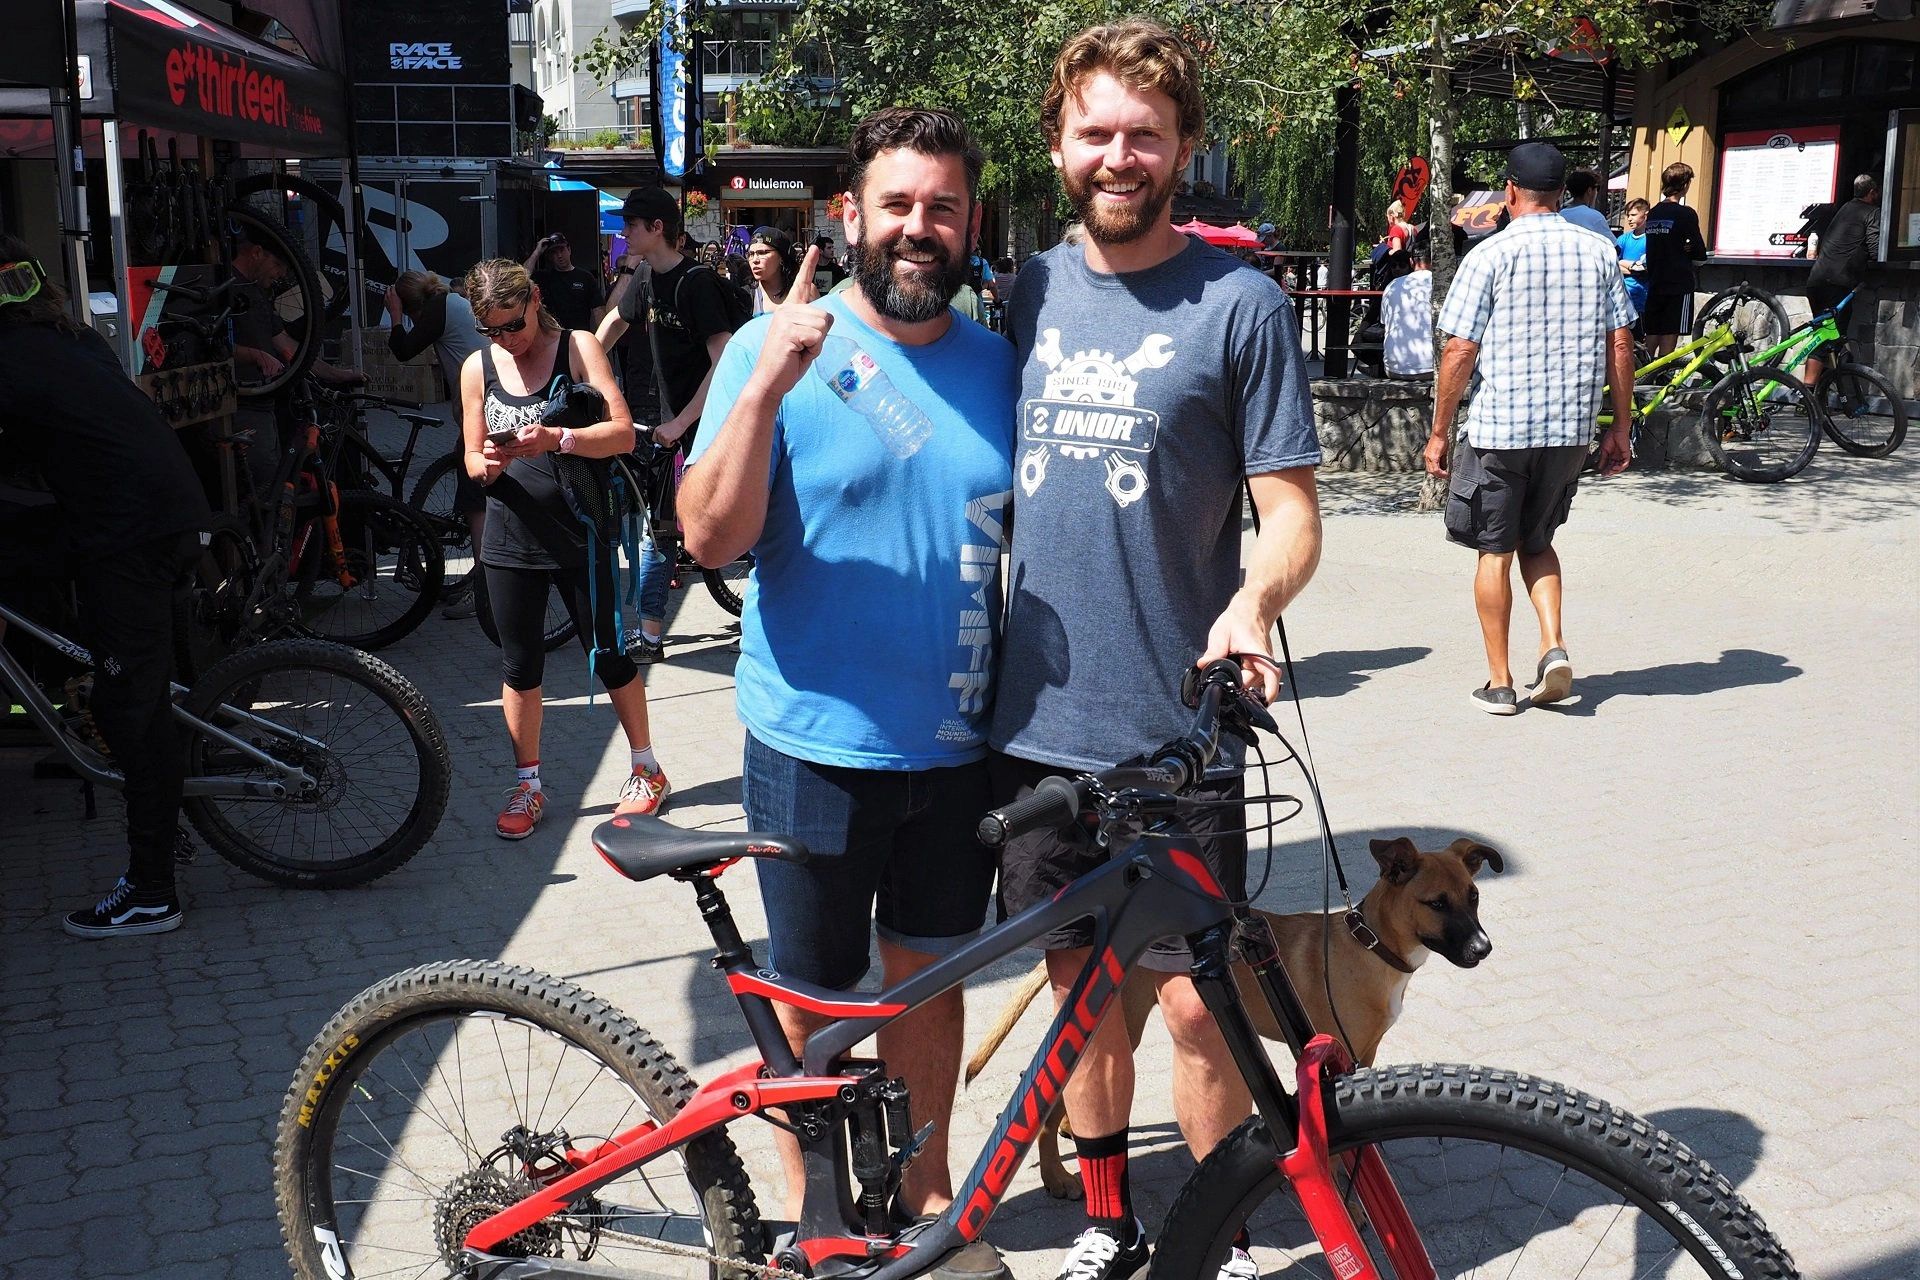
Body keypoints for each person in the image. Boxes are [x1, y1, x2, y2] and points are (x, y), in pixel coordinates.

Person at [990, 22, 1322, 1280]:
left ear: (1183, 147)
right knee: (1081, 999)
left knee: (1197, 1004)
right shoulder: (1022, 294)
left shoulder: (1243, 305)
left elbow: (1291, 514)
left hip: (1181, 735)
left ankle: (1212, 1234)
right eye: (1097, 132)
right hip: (1036, 728)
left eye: (1145, 133)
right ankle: (1106, 1222)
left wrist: (1255, 603)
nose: (1119, 155)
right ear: (1058, 143)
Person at [679, 107, 1016, 1280]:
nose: (919, 227)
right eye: (897, 205)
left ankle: (925, 1206)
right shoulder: (770, 347)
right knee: (812, 1003)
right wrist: (765, 387)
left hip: (958, 743)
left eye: (942, 207)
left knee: (928, 984)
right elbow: (709, 539)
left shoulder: (998, 364)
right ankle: (810, 1218)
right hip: (812, 746)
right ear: (850, 216)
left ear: (970, 221)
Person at [0, 238, 213, 937]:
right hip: (161, 516)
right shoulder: (72, 341)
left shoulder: (11, 360)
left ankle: (152, 890)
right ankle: (73, 680)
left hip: (131, 536)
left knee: (133, 711)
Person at [1421, 142, 1635, 716]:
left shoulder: (1489, 254)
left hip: (1501, 431)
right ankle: (1553, 646)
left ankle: (1500, 683)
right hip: (1570, 430)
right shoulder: (1598, 251)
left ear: (1510, 191)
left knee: (1494, 551)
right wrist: (1620, 425)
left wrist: (1439, 432)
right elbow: (1620, 343)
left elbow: (1459, 350)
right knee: (1538, 543)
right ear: (1563, 194)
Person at [459, 259, 670, 838]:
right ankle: (527, 785)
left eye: (513, 324)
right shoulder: (478, 366)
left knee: (608, 654)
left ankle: (647, 769)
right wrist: (487, 464)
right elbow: (471, 454)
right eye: (491, 329)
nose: (506, 338)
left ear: (534, 298)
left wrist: (558, 438)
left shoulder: (577, 346)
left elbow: (622, 433)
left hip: (582, 531)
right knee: (519, 665)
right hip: (510, 534)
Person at [596, 187, 740, 663]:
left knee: (736, 524)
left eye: (631, 224)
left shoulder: (696, 284)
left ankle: (764, 616)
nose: (624, 232)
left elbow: (723, 363)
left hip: (707, 426)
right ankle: (652, 636)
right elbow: (615, 323)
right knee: (657, 531)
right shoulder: (644, 276)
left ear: (657, 228)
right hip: (667, 429)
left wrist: (681, 421)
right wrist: (585, 371)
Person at [386, 270, 486, 618]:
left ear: (411, 307)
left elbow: (403, 349)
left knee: (475, 498)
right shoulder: (451, 302)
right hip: (486, 400)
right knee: (481, 486)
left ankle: (484, 591)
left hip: (484, 405)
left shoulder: (437, 310)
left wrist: (394, 315)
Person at [1803, 174, 1882, 387]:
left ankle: (1819, 393)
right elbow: (1876, 250)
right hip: (1837, 284)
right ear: (1872, 192)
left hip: (1816, 281)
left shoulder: (1845, 209)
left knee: (1825, 337)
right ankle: (1806, 394)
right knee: (1828, 339)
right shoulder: (1871, 212)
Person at [1641, 162, 1708, 360]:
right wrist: (1688, 249)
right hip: (1678, 283)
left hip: (1655, 281)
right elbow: (1699, 252)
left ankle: (1645, 371)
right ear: (1685, 184)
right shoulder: (1685, 213)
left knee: (1652, 333)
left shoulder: (1653, 212)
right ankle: (1663, 371)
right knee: (1670, 333)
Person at [524, 232, 605, 332]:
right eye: (554, 252)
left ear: (569, 250)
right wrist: (537, 252)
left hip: (578, 335)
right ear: (550, 256)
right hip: (552, 335)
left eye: (562, 250)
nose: (559, 255)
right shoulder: (544, 277)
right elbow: (523, 276)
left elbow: (598, 309)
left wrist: (600, 337)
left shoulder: (585, 277)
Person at [1381, 249, 1435, 377]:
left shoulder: (1391, 285)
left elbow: (1384, 323)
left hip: (1393, 368)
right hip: (1433, 368)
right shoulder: (1441, 285)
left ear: (1411, 262)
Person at [746, 225, 801, 313]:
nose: (755, 260)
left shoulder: (803, 290)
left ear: (781, 257)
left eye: (762, 253)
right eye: (751, 254)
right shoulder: (745, 296)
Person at [1616, 197, 1650, 321]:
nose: (1629, 219)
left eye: (1634, 215)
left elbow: (1646, 268)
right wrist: (1633, 267)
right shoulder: (1623, 239)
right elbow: (1613, 264)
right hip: (1622, 295)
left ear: (1646, 215)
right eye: (1628, 215)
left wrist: (1623, 263)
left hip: (1643, 296)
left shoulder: (1651, 239)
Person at [1561, 168, 1614, 242]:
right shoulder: (1595, 217)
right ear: (1589, 190)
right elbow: (1613, 246)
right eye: (1597, 188)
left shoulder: (1561, 214)